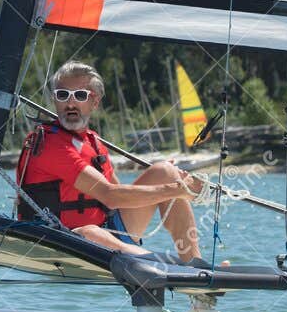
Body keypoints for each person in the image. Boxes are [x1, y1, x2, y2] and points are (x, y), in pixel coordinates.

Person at [16, 60, 205, 262]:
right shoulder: (51, 145)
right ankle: (165, 265)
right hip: (61, 239)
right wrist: (178, 189)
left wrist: (172, 182)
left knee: (164, 171)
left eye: (80, 95)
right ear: (55, 100)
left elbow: (119, 193)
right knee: (90, 233)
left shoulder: (93, 141)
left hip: (108, 231)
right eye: (63, 95)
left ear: (94, 102)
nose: (70, 103)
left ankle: (194, 262)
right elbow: (110, 196)